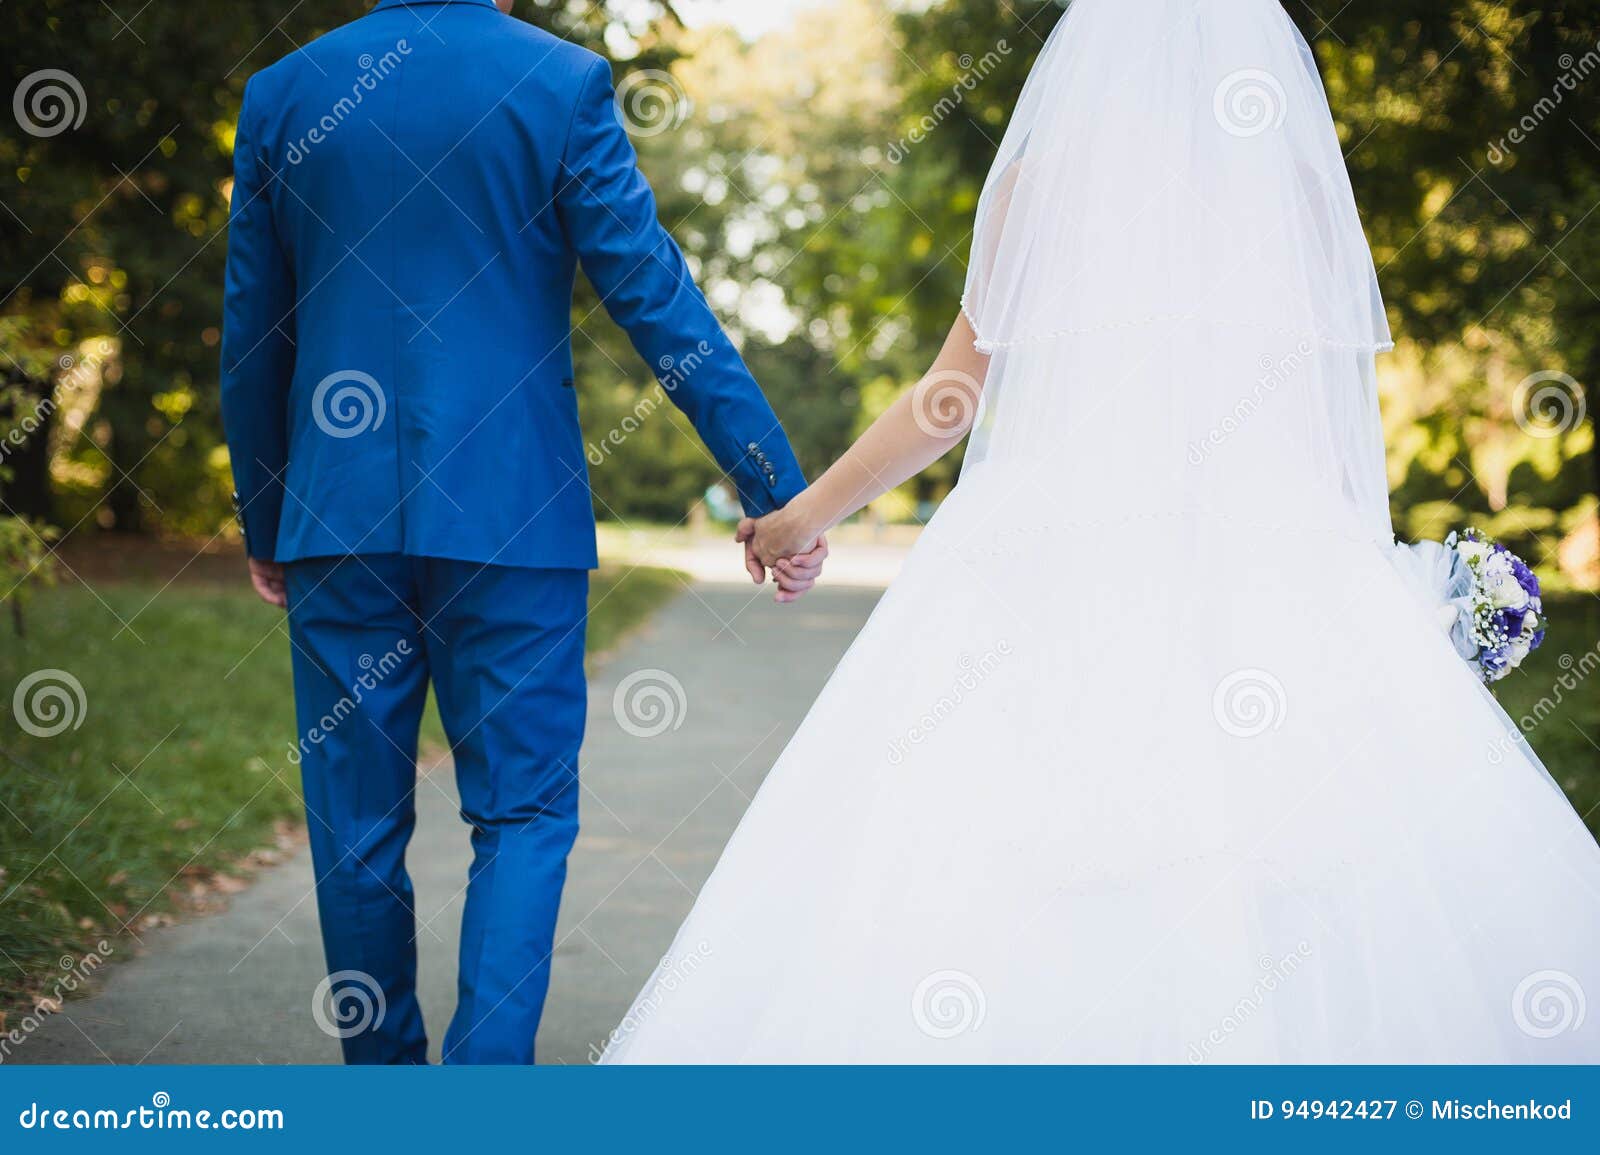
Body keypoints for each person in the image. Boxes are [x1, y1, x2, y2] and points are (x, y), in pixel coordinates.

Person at [602, 0, 1600, 1062]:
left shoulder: (1045, 184)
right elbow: (1331, 420)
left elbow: (952, 398)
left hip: (1048, 552)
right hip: (1263, 547)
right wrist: (1363, 580)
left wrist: (803, 515)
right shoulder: (1294, 184)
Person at [220, 0, 825, 1064]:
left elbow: (252, 331)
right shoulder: (558, 84)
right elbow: (655, 298)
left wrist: (267, 514)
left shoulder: (286, 94)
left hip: (337, 517)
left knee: (354, 827)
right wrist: (772, 486)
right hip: (515, 518)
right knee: (523, 818)